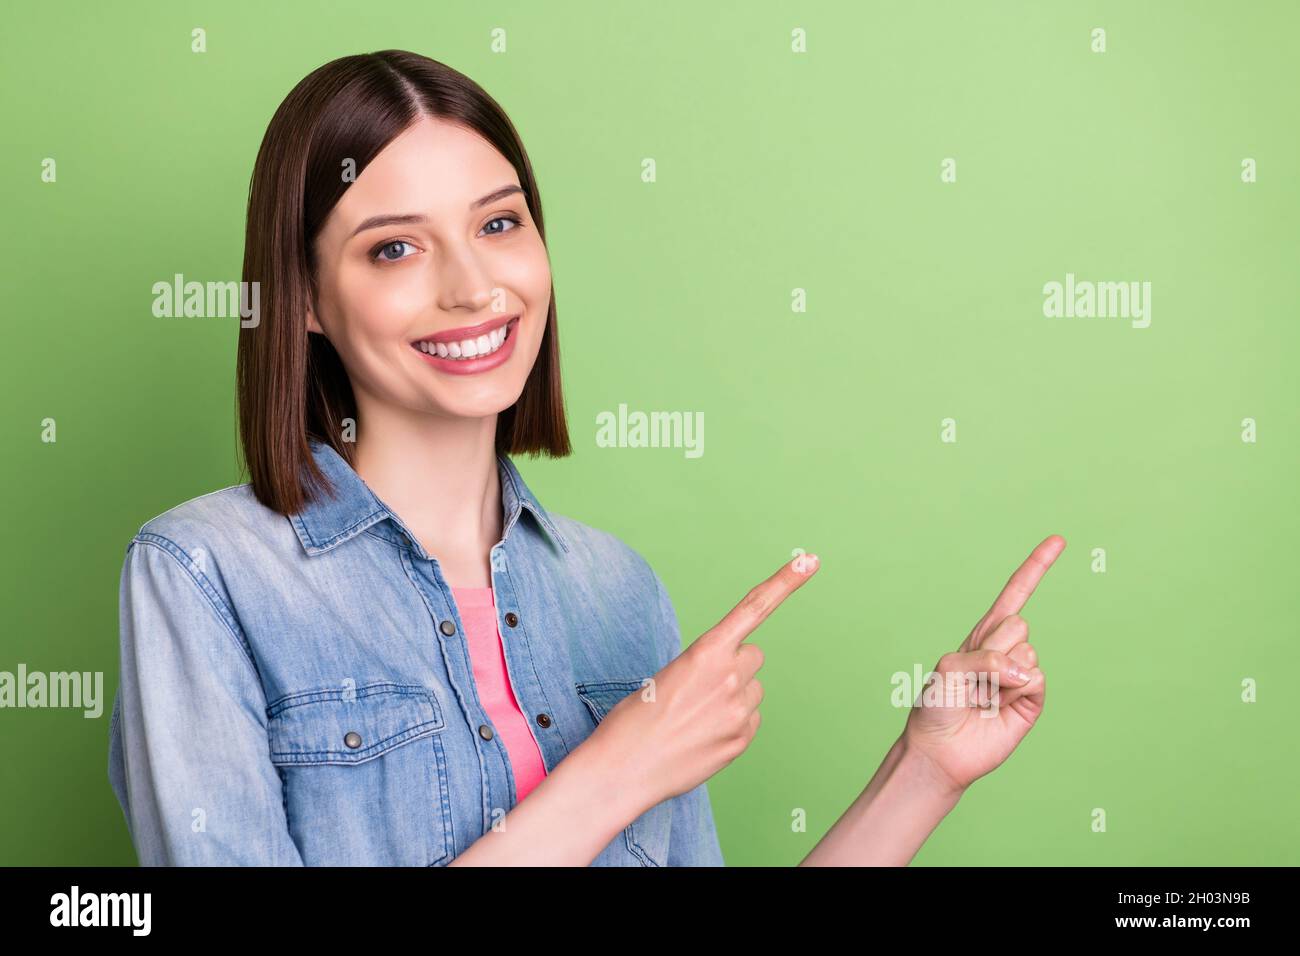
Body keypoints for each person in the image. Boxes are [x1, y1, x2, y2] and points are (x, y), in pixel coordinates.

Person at [108, 49, 1062, 866]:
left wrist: (925, 770)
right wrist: (617, 772)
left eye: (498, 223)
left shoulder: (617, 592)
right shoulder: (204, 574)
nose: (474, 287)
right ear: (306, 299)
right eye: (395, 249)